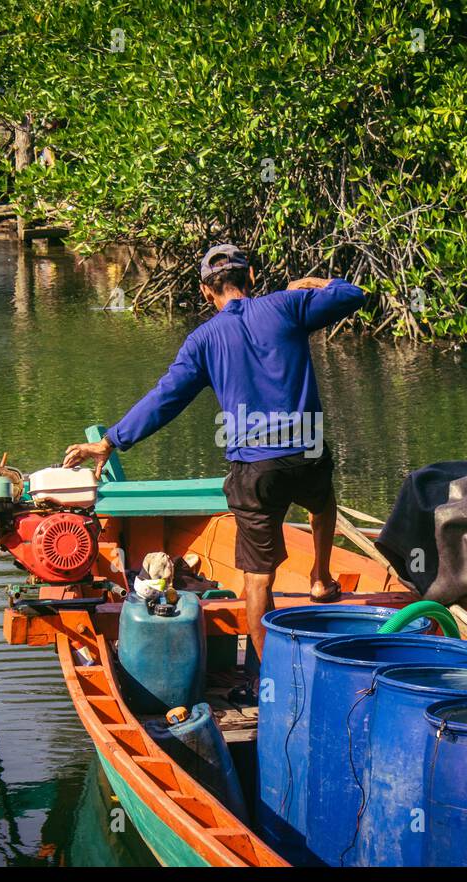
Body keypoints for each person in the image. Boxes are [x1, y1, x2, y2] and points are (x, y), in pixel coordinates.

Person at [63, 243, 366, 703]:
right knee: (322, 500)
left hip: (254, 467)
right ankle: (321, 578)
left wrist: (110, 440)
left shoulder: (203, 340)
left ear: (207, 292)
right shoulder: (287, 304)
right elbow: (354, 294)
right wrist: (313, 284)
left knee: (258, 577)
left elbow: (166, 399)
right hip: (307, 450)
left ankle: (268, 685)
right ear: (252, 276)